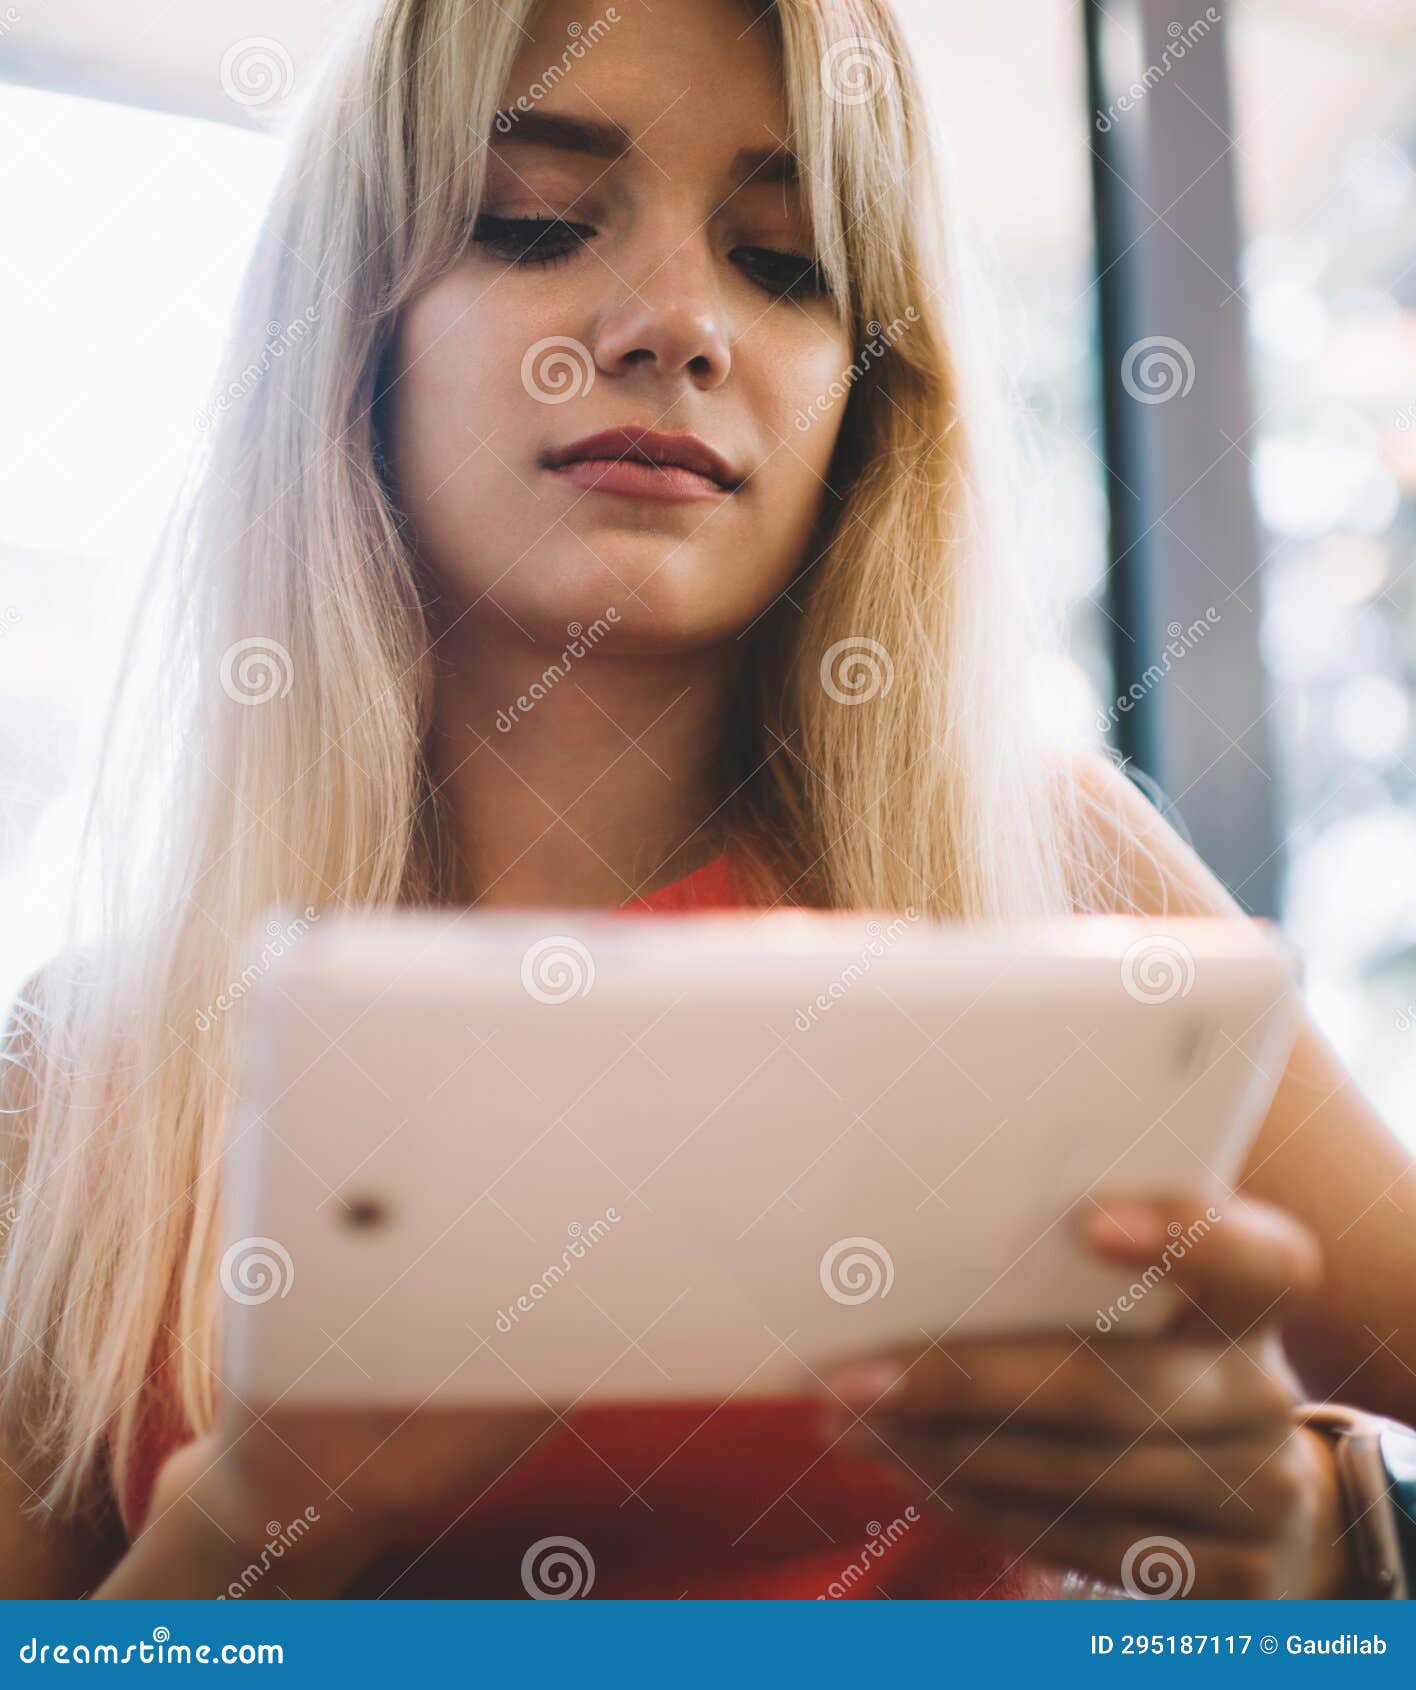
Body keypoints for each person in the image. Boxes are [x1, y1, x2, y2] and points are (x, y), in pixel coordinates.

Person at [2, 0, 1413, 1601]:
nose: (676, 323)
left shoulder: (1054, 890)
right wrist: (254, 1520)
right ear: (346, 335)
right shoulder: (73, 1088)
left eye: (789, 259)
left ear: (872, 392)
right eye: (532, 222)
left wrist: (1316, 1546)